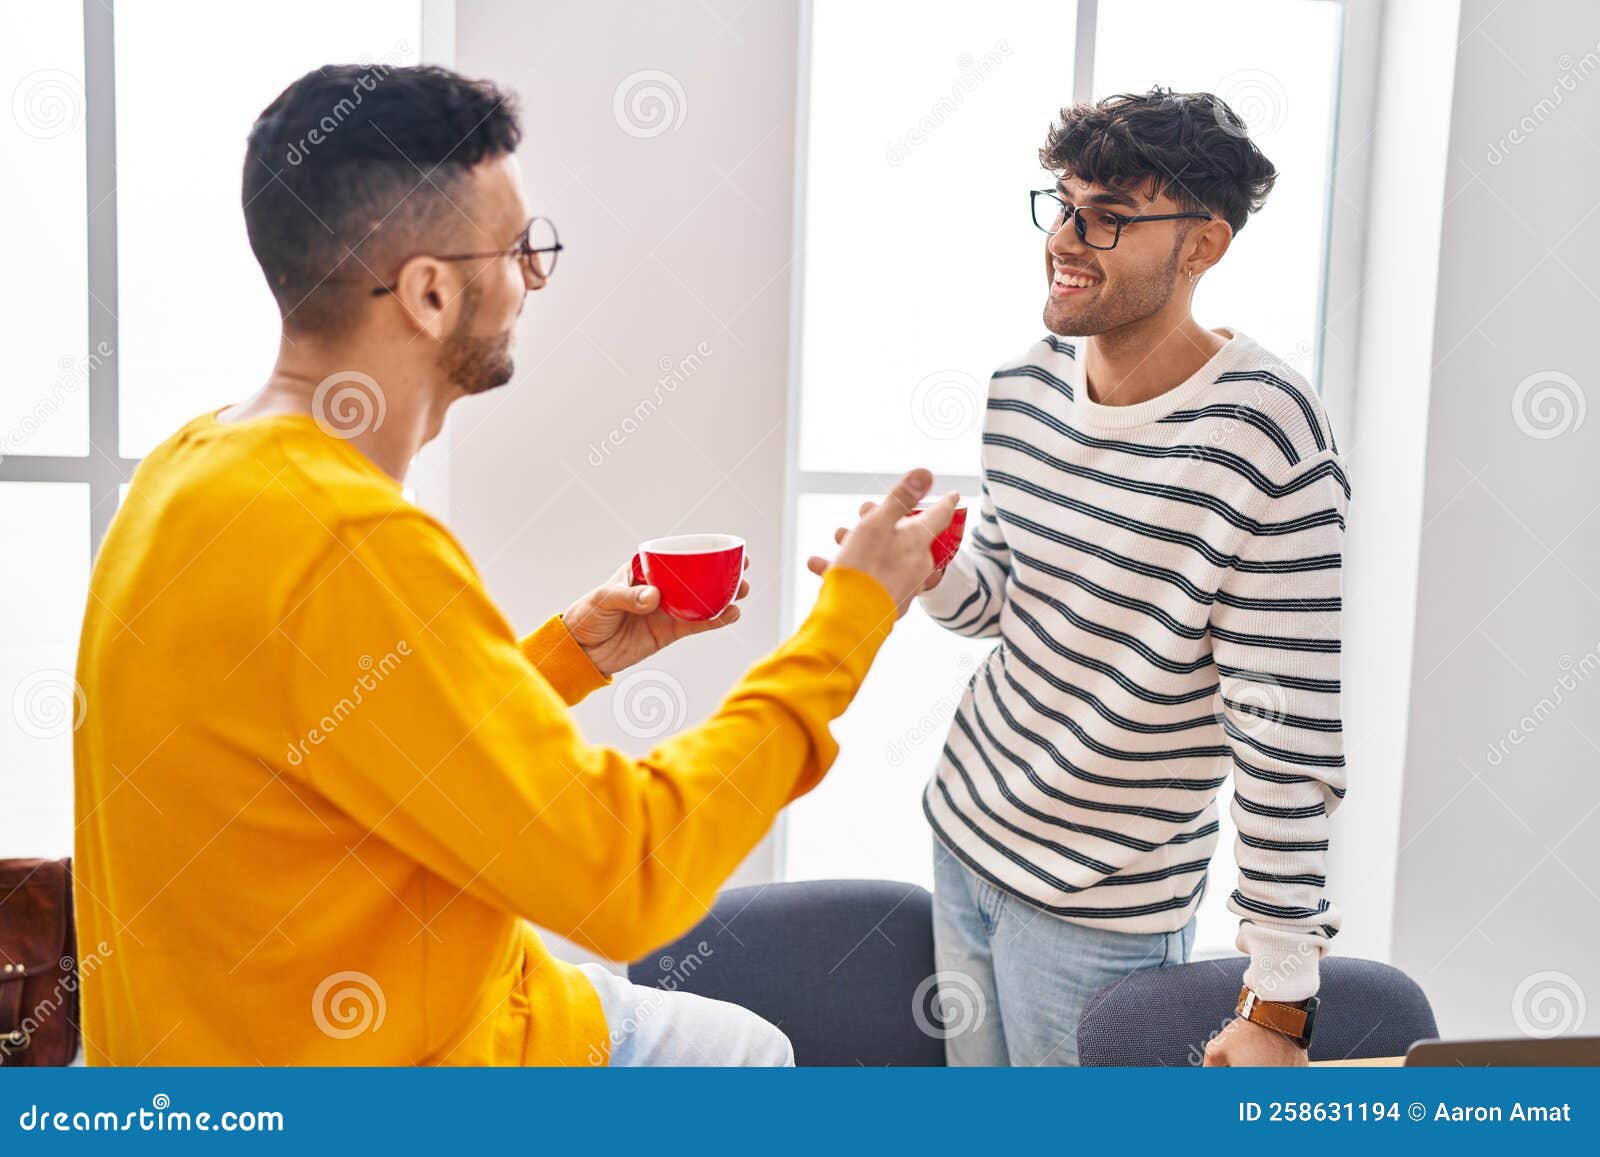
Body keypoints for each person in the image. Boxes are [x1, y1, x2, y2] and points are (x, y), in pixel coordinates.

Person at [73, 63, 956, 1066]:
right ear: (432, 290)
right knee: (750, 1055)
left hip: (218, 1045)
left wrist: (562, 658)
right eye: (523, 249)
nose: (532, 279)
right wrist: (854, 613)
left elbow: (333, 742)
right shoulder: (350, 540)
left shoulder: (190, 468)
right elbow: (630, 875)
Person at [818, 89, 1347, 1066]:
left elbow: (1285, 730)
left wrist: (1277, 999)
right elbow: (1013, 605)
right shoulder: (1023, 386)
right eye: (1061, 203)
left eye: (1107, 214)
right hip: (968, 828)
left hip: (1103, 902)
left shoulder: (1263, 434)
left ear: (1202, 247)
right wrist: (926, 573)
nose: (1065, 236)